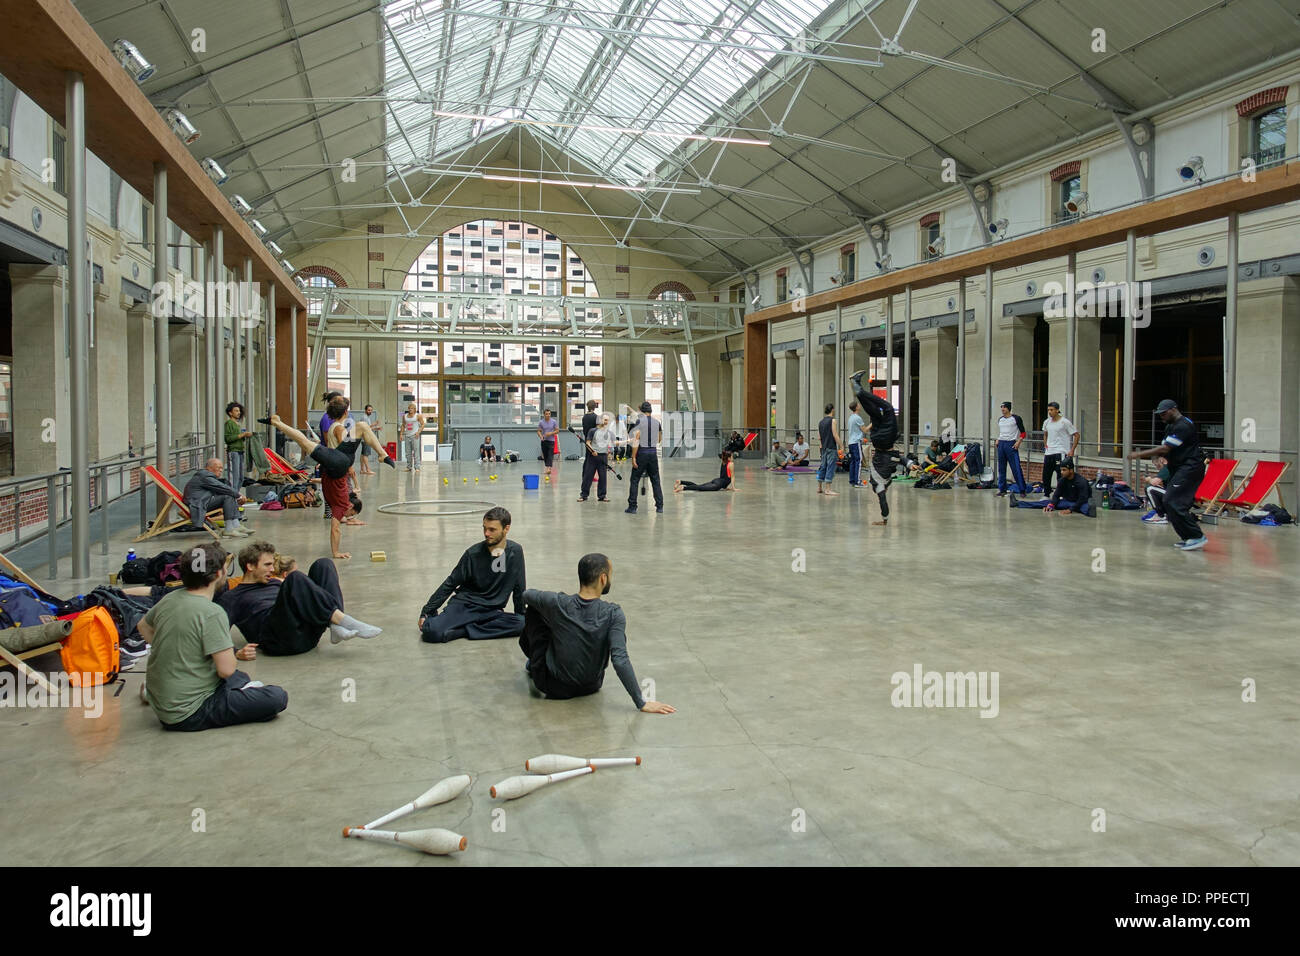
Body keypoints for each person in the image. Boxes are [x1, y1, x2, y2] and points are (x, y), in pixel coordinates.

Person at [136, 542, 288, 732]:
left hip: (164, 698)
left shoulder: (171, 599)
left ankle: (151, 691)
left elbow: (143, 625)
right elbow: (226, 670)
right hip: (188, 712)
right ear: (218, 574)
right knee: (276, 697)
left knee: (240, 677)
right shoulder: (212, 612)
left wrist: (171, 648)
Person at [519, 553, 675, 714]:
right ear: (603, 578)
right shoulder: (613, 613)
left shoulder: (558, 602)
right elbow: (620, 659)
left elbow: (526, 595)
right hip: (592, 685)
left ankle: (534, 662)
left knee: (534, 611)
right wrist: (641, 702)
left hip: (554, 687)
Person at [265, 400, 395, 559]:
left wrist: (312, 481)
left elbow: (334, 524)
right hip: (337, 462)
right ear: (349, 506)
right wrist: (336, 552)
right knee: (307, 442)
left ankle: (277, 423)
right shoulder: (339, 505)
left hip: (337, 459)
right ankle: (383, 455)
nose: (347, 516)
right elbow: (335, 528)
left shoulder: (340, 502)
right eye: (350, 514)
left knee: (358, 427)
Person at [216, 540, 381, 658]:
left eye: (272, 564)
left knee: (323, 564)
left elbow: (306, 594)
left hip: (307, 634)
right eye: (267, 565)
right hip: (281, 641)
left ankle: (335, 625)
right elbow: (214, 634)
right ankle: (341, 621)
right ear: (250, 566)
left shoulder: (273, 582)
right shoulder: (232, 597)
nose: (272, 569)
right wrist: (236, 653)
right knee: (295, 578)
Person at [419, 507, 526, 642]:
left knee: (523, 623)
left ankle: (461, 631)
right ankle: (472, 629)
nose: (486, 533)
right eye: (484, 528)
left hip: (491, 611)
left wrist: (521, 616)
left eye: (492, 529)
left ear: (506, 529)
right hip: (465, 606)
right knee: (431, 632)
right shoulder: (473, 554)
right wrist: (427, 611)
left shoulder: (515, 551)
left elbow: (519, 587)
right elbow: (450, 583)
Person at [1127, 399, 1208, 551]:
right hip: (1177, 468)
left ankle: (1197, 536)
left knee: (1172, 501)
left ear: (1173, 409)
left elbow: (1165, 448)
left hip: (1190, 468)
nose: (1161, 416)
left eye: (1163, 413)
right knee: (1169, 502)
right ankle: (1189, 537)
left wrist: (1139, 454)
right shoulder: (1171, 426)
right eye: (1159, 414)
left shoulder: (1183, 425)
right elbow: (1167, 449)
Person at [850, 372, 901, 525]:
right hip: (877, 439)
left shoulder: (880, 485)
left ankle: (860, 391)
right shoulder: (881, 481)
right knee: (875, 413)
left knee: (888, 408)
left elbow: (901, 460)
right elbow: (901, 460)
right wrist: (911, 464)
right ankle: (858, 388)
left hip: (884, 441)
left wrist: (884, 520)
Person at [183, 457, 252, 539]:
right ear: (209, 468)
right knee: (228, 495)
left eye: (222, 468)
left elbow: (222, 488)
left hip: (201, 503)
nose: (221, 470)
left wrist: (237, 495)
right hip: (198, 506)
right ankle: (229, 529)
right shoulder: (204, 476)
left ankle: (236, 525)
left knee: (229, 494)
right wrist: (239, 495)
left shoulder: (204, 475)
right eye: (218, 467)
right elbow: (221, 487)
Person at [1009, 458, 1093, 515]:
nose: (1062, 472)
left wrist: (1070, 510)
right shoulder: (1062, 480)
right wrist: (1052, 505)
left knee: (1087, 508)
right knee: (1046, 503)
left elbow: (1083, 498)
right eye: (1061, 470)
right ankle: (1017, 503)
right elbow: (1056, 494)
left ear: (1071, 470)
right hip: (1066, 502)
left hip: (1080, 503)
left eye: (1064, 470)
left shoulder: (1081, 481)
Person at [625, 402, 664, 514]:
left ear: (641, 411)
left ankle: (632, 507)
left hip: (642, 452)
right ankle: (660, 506)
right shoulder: (657, 422)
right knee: (655, 480)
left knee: (635, 479)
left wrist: (633, 457)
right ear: (651, 411)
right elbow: (659, 439)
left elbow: (636, 439)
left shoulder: (639, 422)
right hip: (652, 452)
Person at [1040, 401, 1080, 495]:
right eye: (1048, 410)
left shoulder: (1064, 422)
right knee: (1046, 475)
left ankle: (1061, 494)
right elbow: (1045, 434)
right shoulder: (1047, 422)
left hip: (1060, 451)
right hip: (1049, 452)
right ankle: (1046, 493)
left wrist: (1072, 450)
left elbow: (1077, 435)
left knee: (1060, 475)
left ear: (1057, 410)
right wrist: (1046, 445)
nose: (1050, 412)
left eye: (1052, 410)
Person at [994, 401, 1029, 496]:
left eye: (1004, 407)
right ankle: (1002, 489)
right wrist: (998, 439)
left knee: (1016, 468)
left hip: (1011, 444)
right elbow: (1002, 432)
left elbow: (1023, 432)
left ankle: (1022, 489)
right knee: (1001, 468)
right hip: (1001, 444)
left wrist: (1018, 441)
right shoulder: (1000, 419)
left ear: (1009, 408)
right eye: (1001, 407)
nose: (1002, 409)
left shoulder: (1016, 418)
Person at [577, 413, 611, 503]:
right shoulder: (592, 431)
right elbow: (587, 443)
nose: (606, 422)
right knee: (588, 476)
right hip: (593, 456)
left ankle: (602, 496)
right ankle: (583, 495)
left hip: (603, 456)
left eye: (608, 420)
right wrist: (592, 451)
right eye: (605, 420)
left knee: (603, 477)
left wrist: (609, 452)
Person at [224, 402, 254, 495]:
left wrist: (245, 436)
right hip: (233, 452)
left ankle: (236, 495)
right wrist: (242, 435)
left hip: (240, 451)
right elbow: (228, 439)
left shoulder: (237, 424)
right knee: (234, 476)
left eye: (239, 411)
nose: (239, 413)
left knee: (240, 476)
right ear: (230, 413)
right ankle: (232, 496)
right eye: (236, 411)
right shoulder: (229, 423)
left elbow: (239, 437)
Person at [816, 403, 840, 496]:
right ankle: (828, 489)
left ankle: (819, 487)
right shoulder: (833, 420)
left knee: (823, 466)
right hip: (831, 446)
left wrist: (821, 445)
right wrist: (841, 445)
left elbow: (819, 437)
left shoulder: (821, 422)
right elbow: (835, 434)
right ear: (832, 410)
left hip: (824, 447)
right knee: (830, 467)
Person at [845, 400, 868, 488]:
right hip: (856, 443)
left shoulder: (851, 418)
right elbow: (865, 430)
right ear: (856, 407)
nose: (860, 405)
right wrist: (872, 424)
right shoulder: (858, 418)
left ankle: (852, 480)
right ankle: (858, 481)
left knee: (853, 462)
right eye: (858, 404)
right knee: (858, 461)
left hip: (851, 442)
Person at [1141, 457, 1170, 525]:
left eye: (1156, 464)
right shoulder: (1171, 467)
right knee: (1155, 488)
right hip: (1178, 494)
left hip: (1175, 496)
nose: (1156, 467)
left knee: (1149, 488)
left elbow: (1154, 482)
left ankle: (1160, 515)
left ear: (1162, 460)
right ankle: (1163, 513)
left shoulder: (1166, 468)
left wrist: (1148, 479)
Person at [358, 404, 381, 476]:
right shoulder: (365, 418)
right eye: (368, 410)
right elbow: (365, 427)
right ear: (365, 410)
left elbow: (367, 428)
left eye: (371, 410)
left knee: (363, 454)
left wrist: (375, 428)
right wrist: (374, 424)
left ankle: (362, 469)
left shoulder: (366, 417)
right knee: (366, 454)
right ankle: (367, 469)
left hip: (364, 437)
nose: (370, 411)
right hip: (365, 438)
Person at [402, 403, 426, 471]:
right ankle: (409, 466)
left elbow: (423, 424)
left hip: (415, 436)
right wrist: (401, 434)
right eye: (409, 408)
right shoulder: (405, 416)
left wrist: (418, 432)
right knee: (408, 452)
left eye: (412, 408)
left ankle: (417, 467)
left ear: (415, 409)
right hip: (407, 435)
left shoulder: (418, 416)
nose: (410, 410)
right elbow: (403, 425)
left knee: (416, 452)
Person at [537, 408, 559, 477]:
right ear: (544, 415)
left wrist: (551, 433)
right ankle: (547, 467)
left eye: (549, 414)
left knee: (550, 455)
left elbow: (557, 431)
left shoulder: (554, 422)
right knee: (546, 455)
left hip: (551, 441)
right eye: (546, 414)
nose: (548, 415)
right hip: (544, 441)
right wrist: (541, 437)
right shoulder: (541, 422)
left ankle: (548, 468)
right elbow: (539, 431)